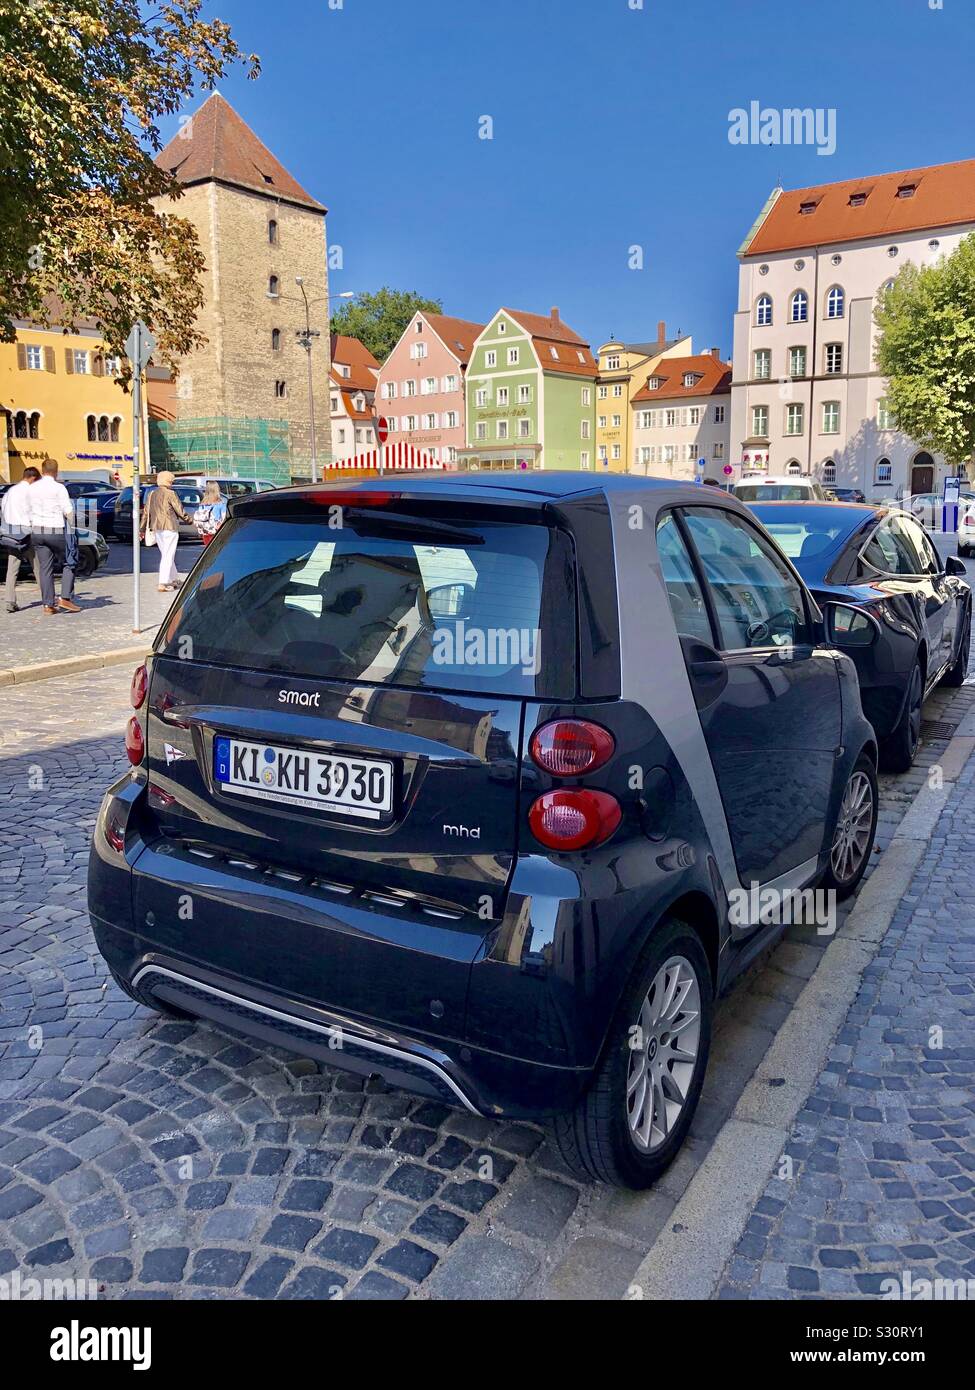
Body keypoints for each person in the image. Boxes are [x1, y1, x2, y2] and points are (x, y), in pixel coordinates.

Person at [28, 458, 80, 615]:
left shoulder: (32, 488)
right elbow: (68, 511)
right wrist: (73, 527)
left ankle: (48, 605)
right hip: (55, 530)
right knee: (69, 560)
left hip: (36, 531)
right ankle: (65, 598)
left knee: (45, 568)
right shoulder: (59, 488)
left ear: (42, 471)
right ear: (56, 472)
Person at [141, 471, 190, 591]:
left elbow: (146, 513)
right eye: (172, 481)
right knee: (168, 555)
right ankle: (162, 582)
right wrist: (191, 521)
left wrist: (141, 529)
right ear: (169, 481)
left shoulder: (152, 494)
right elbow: (180, 510)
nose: (172, 483)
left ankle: (173, 579)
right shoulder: (171, 493)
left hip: (157, 528)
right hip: (170, 527)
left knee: (167, 554)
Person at [1, 466, 41, 612]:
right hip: (26, 533)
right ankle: (47, 598)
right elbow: (32, 512)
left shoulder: (10, 491)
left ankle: (10, 602)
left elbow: (3, 510)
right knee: (38, 566)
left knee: (12, 569)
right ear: (33, 478)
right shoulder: (29, 492)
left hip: (11, 533)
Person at [193, 481, 228, 546]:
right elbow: (224, 518)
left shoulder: (202, 504)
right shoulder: (220, 504)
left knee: (208, 549)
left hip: (205, 531)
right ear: (217, 490)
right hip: (216, 531)